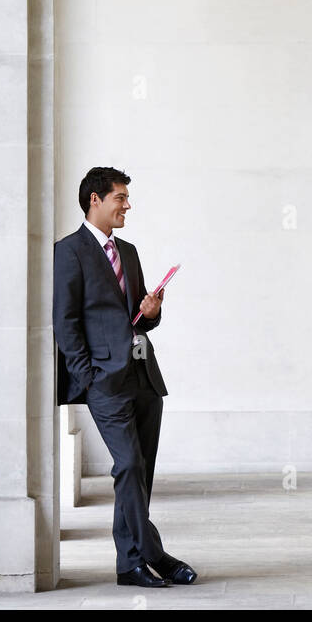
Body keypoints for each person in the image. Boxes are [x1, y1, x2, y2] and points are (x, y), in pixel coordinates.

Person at [53, 165, 197, 589]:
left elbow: (134, 318)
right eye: (120, 197)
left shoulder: (128, 252)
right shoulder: (69, 251)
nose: (127, 205)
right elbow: (65, 322)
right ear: (95, 199)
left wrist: (151, 313)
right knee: (128, 465)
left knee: (140, 471)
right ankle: (152, 556)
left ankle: (130, 563)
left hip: (142, 375)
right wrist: (89, 376)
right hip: (104, 381)